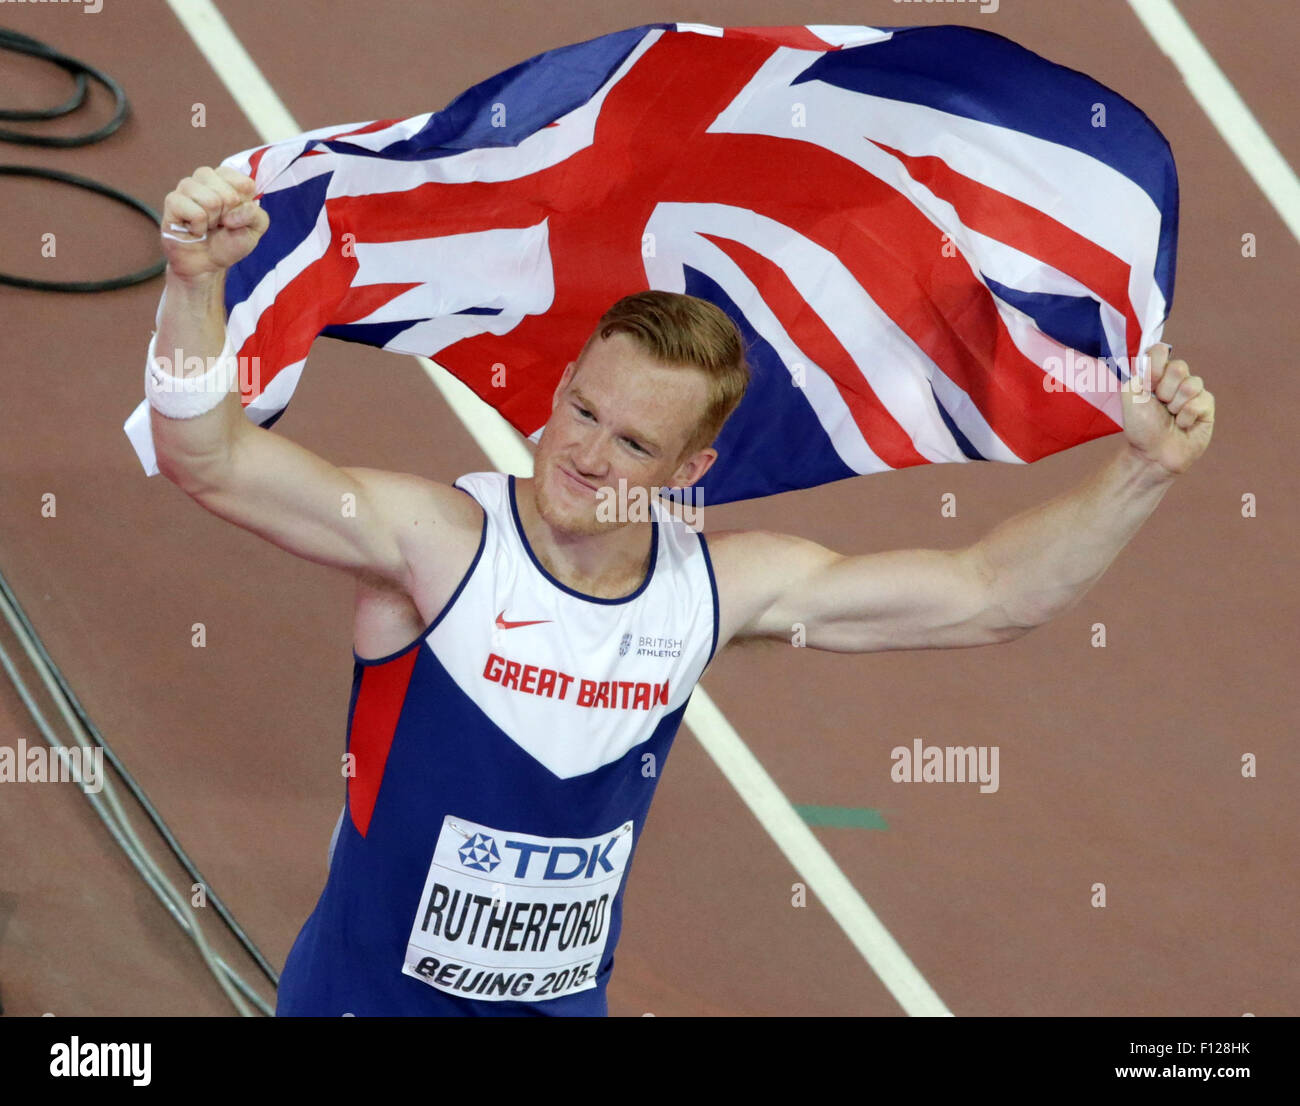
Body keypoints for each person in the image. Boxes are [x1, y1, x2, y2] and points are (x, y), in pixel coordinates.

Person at [146, 166, 1215, 1016]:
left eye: (634, 442)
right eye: (581, 413)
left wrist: (1142, 471)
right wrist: (196, 282)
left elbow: (988, 592)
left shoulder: (715, 593)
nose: (587, 455)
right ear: (558, 393)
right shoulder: (434, 545)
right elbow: (211, 461)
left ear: (688, 472)